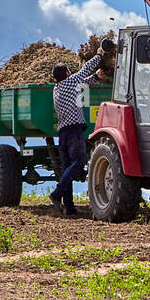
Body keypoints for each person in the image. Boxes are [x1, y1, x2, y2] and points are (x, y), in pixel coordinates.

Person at [50, 54, 106, 216]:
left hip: (62, 133)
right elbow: (85, 69)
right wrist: (100, 54)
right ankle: (56, 194)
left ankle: (69, 208)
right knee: (80, 162)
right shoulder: (71, 81)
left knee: (67, 168)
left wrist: (95, 77)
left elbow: (81, 83)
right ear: (67, 73)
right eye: (69, 70)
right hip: (74, 131)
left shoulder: (57, 88)